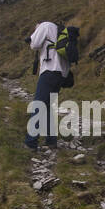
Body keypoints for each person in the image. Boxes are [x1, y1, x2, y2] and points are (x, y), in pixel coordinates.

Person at [27, 19, 72, 149]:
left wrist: (36, 31)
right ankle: (51, 141)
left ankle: (30, 142)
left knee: (38, 105)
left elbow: (34, 44)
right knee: (47, 107)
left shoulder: (45, 25)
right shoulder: (59, 31)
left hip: (49, 71)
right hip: (61, 74)